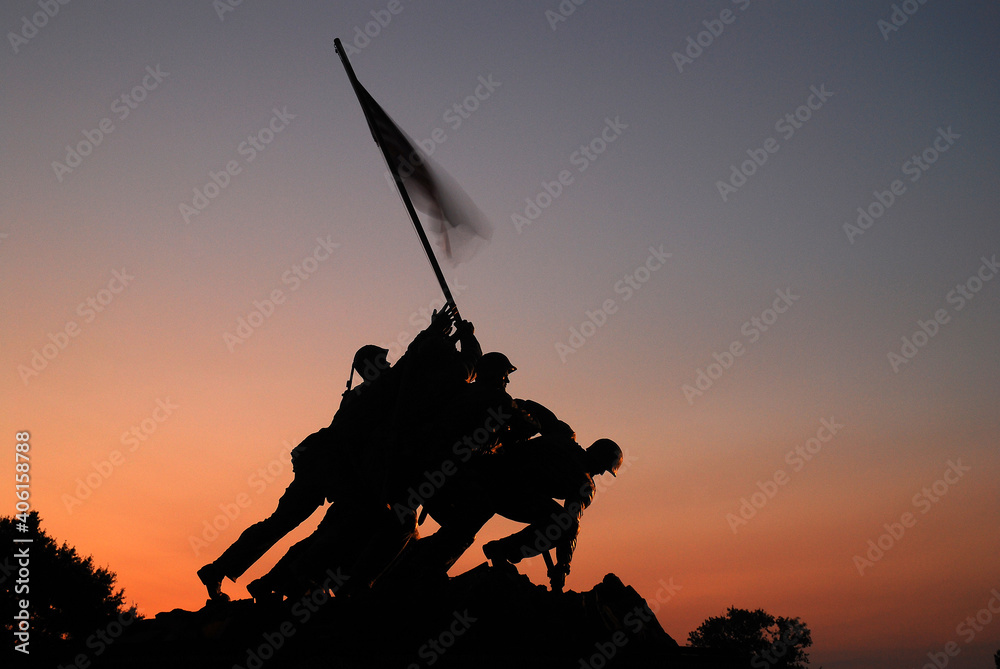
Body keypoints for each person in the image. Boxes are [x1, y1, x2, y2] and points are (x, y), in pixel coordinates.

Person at [196, 344, 394, 602]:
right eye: (383, 362)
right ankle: (284, 578)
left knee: (280, 523)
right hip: (327, 467)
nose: (389, 366)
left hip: (321, 464)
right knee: (343, 517)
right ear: (370, 368)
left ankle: (221, 571)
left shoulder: (362, 394)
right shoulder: (367, 394)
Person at [483, 436, 624, 592]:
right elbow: (570, 524)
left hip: (493, 476)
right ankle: (502, 549)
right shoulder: (585, 484)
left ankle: (502, 550)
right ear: (599, 460)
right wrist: (563, 565)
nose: (602, 472)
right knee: (568, 526)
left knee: (558, 520)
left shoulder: (563, 440)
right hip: (510, 492)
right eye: (604, 467)